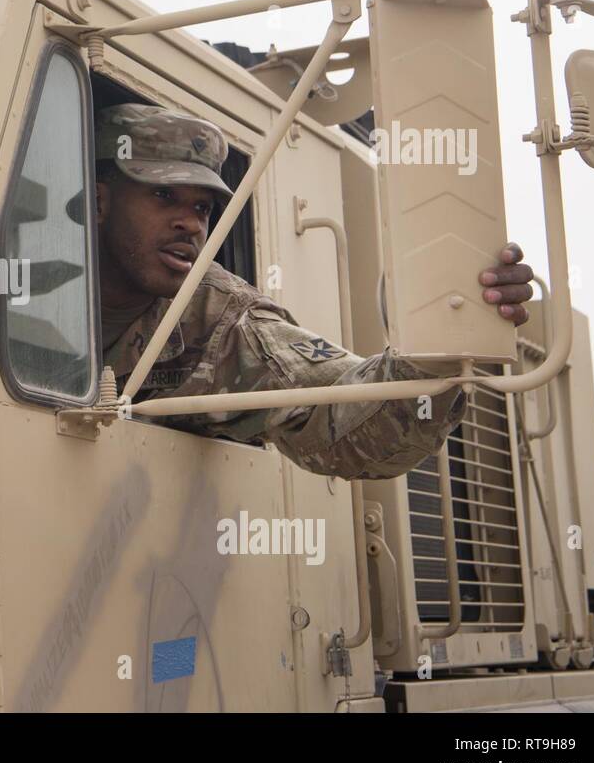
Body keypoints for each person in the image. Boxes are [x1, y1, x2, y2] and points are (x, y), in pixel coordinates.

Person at [94, 103, 535, 480]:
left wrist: (443, 329)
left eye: (202, 208)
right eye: (164, 194)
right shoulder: (31, 287)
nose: (190, 224)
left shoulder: (221, 319)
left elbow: (340, 418)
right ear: (98, 202)